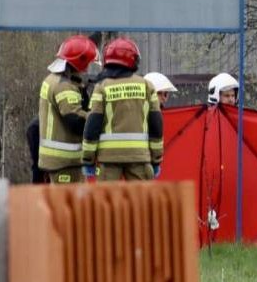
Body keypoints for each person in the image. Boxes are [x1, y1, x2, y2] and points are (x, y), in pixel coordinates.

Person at [82, 37, 163, 181]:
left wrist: (88, 159)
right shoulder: (147, 86)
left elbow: (92, 125)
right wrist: (156, 158)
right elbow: (156, 125)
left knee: (107, 203)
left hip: (108, 159)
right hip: (139, 157)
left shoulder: (101, 87)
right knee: (141, 203)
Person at [37, 35, 97, 184]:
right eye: (88, 63)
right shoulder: (64, 86)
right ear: (79, 61)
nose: (89, 67)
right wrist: (97, 117)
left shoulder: (52, 79)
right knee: (67, 205)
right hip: (65, 161)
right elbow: (76, 122)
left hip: (56, 160)